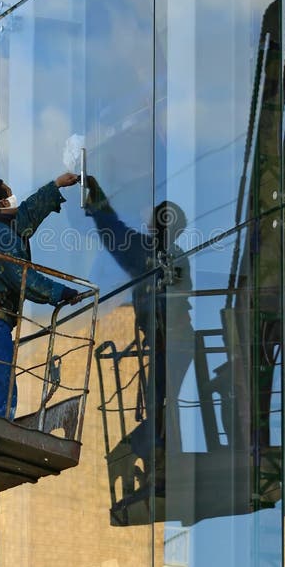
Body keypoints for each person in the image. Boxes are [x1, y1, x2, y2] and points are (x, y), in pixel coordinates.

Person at [85, 176, 193, 456]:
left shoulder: (148, 252)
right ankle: (161, 446)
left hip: (168, 340)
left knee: (160, 398)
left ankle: (160, 448)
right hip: (176, 339)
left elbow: (115, 232)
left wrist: (97, 203)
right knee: (163, 397)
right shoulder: (176, 254)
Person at [0, 173, 80, 418]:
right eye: (10, 193)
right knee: (0, 393)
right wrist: (61, 292)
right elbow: (24, 278)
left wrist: (55, 185)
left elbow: (26, 215)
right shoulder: (1, 236)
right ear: (4, 203)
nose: (14, 199)